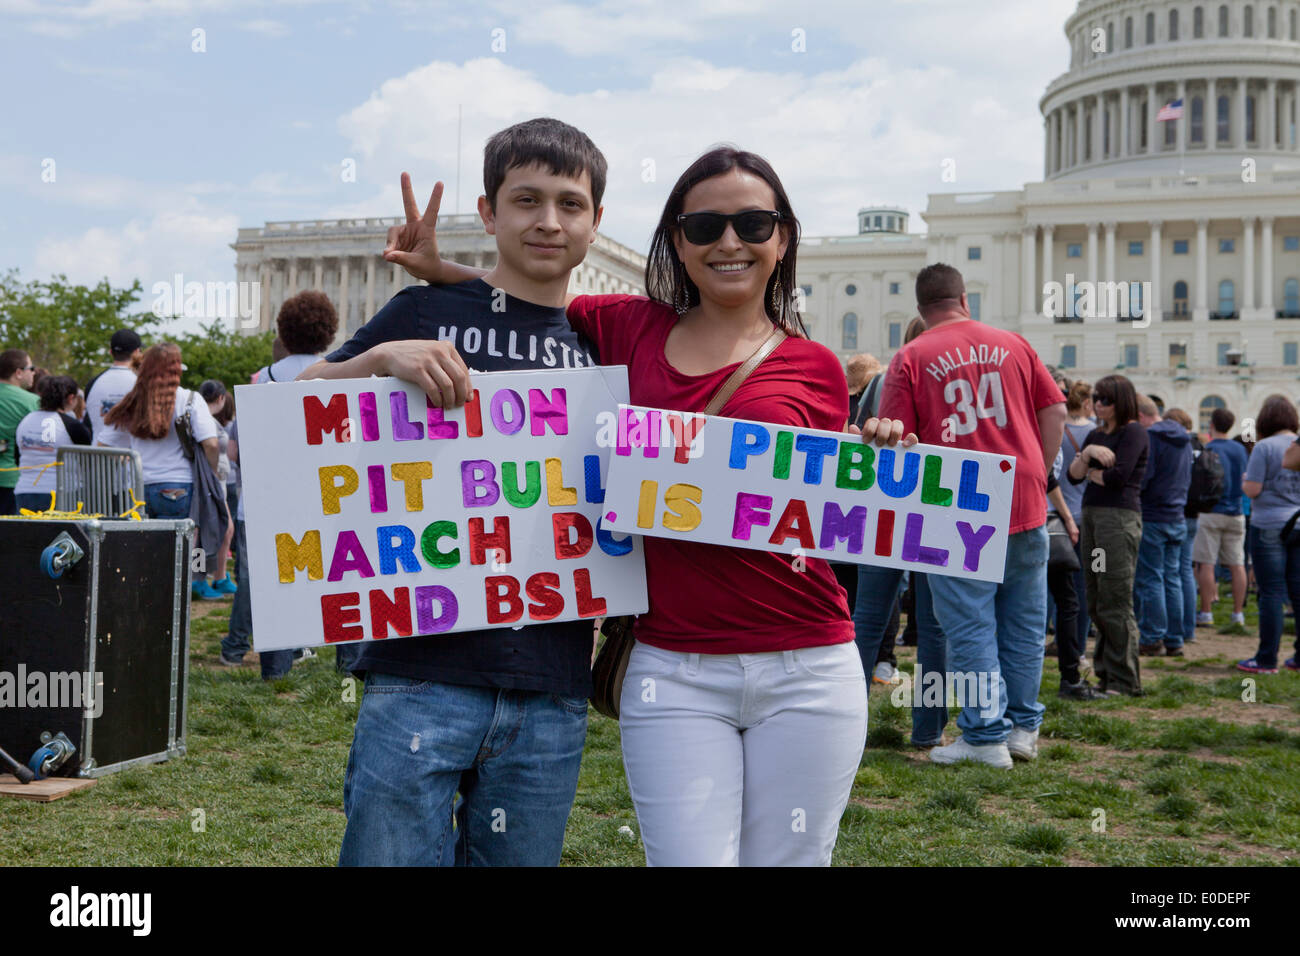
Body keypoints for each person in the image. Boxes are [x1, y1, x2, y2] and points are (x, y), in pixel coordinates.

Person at [389, 139, 909, 865]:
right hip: (672, 667)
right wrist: (442, 272)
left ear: (782, 237)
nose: (730, 242)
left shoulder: (817, 366)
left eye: (754, 225)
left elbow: (825, 506)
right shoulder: (626, 326)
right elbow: (536, 288)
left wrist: (878, 454)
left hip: (809, 664)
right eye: (705, 227)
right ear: (678, 240)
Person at [878, 263, 1067, 769]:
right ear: (964, 298)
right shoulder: (1015, 343)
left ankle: (985, 736)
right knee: (1025, 624)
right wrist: (1037, 469)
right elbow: (1056, 412)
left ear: (920, 309)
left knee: (969, 628)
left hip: (954, 504)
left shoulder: (911, 355)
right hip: (1024, 498)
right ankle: (1023, 728)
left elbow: (898, 439)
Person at [223, 291, 341, 678]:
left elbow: (240, 447)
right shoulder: (342, 370)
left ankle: (274, 666)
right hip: (324, 494)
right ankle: (349, 663)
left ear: (283, 333)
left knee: (267, 581)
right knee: (339, 574)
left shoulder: (263, 378)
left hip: (267, 497)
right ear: (329, 332)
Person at [849, 317, 950, 741]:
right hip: (936, 513)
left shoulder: (883, 380)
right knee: (932, 627)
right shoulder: (949, 381)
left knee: (868, 620)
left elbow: (861, 431)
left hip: (884, 513)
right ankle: (928, 730)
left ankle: (845, 721)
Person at [1067, 374, 1148, 696]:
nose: (1098, 404)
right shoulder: (1095, 435)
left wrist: (1091, 471)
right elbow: (1074, 477)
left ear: (1120, 402)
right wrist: (1088, 459)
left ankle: (1125, 681)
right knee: (1097, 598)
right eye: (1096, 398)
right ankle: (1106, 675)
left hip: (1118, 520)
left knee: (1115, 600)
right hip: (1094, 519)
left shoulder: (1134, 431)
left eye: (1105, 399)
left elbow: (1118, 477)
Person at [97, 343, 220, 520]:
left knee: (141, 546)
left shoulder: (132, 402)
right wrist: (212, 474)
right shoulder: (190, 400)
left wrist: (127, 459)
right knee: (175, 546)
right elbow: (211, 444)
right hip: (177, 486)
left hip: (137, 488)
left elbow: (103, 446)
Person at [1238, 395, 1300, 673]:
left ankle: (1266, 659)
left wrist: (1244, 482)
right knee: (1298, 592)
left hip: (1269, 525)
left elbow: (1253, 490)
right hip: (1298, 522)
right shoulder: (1295, 444)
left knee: (1271, 593)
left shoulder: (1264, 447)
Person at [1135, 395, 1193, 657]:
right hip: (1177, 514)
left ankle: (1152, 637)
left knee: (1152, 579)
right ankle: (1174, 638)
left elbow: (1145, 477)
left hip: (1154, 514)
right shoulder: (1185, 438)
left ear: (1140, 415)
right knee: (1173, 578)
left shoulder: (1152, 437)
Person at [1192, 407, 1249, 630]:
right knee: (1237, 564)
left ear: (1211, 425)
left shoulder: (1210, 448)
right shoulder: (1240, 450)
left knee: (1206, 563)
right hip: (1236, 511)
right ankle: (1238, 614)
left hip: (1211, 510)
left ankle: (1206, 612)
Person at [12, 375, 92, 511]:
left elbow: (17, 457)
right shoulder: (72, 425)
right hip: (62, 492)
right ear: (71, 398)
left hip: (25, 490)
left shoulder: (25, 421)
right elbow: (88, 461)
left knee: (27, 532)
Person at [1059, 381, 1095, 660]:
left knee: (1056, 589)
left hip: (1055, 513)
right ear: (1086, 402)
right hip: (1084, 513)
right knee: (1082, 587)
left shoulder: (1055, 427)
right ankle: (1078, 648)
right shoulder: (1095, 432)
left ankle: (1059, 641)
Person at [194, 380, 237, 599]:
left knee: (222, 531)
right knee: (208, 533)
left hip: (215, 483)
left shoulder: (204, 417)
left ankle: (216, 576)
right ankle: (199, 578)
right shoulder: (204, 419)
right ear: (221, 398)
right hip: (210, 484)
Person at [1164, 407, 1203, 646]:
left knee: (1168, 573)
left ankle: (1171, 629)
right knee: (1185, 571)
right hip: (1194, 513)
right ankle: (1188, 629)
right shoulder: (1199, 445)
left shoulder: (1173, 445)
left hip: (1172, 512)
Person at [0, 349, 39, 515]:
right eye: (31, 368)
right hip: (14, 479)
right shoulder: (32, 401)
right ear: (18, 373)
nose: (34, 372)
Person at [85, 329, 142, 443]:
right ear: (136, 352)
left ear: (111, 352)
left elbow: (89, 421)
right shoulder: (140, 383)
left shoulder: (93, 383)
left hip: (96, 455)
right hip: (130, 458)